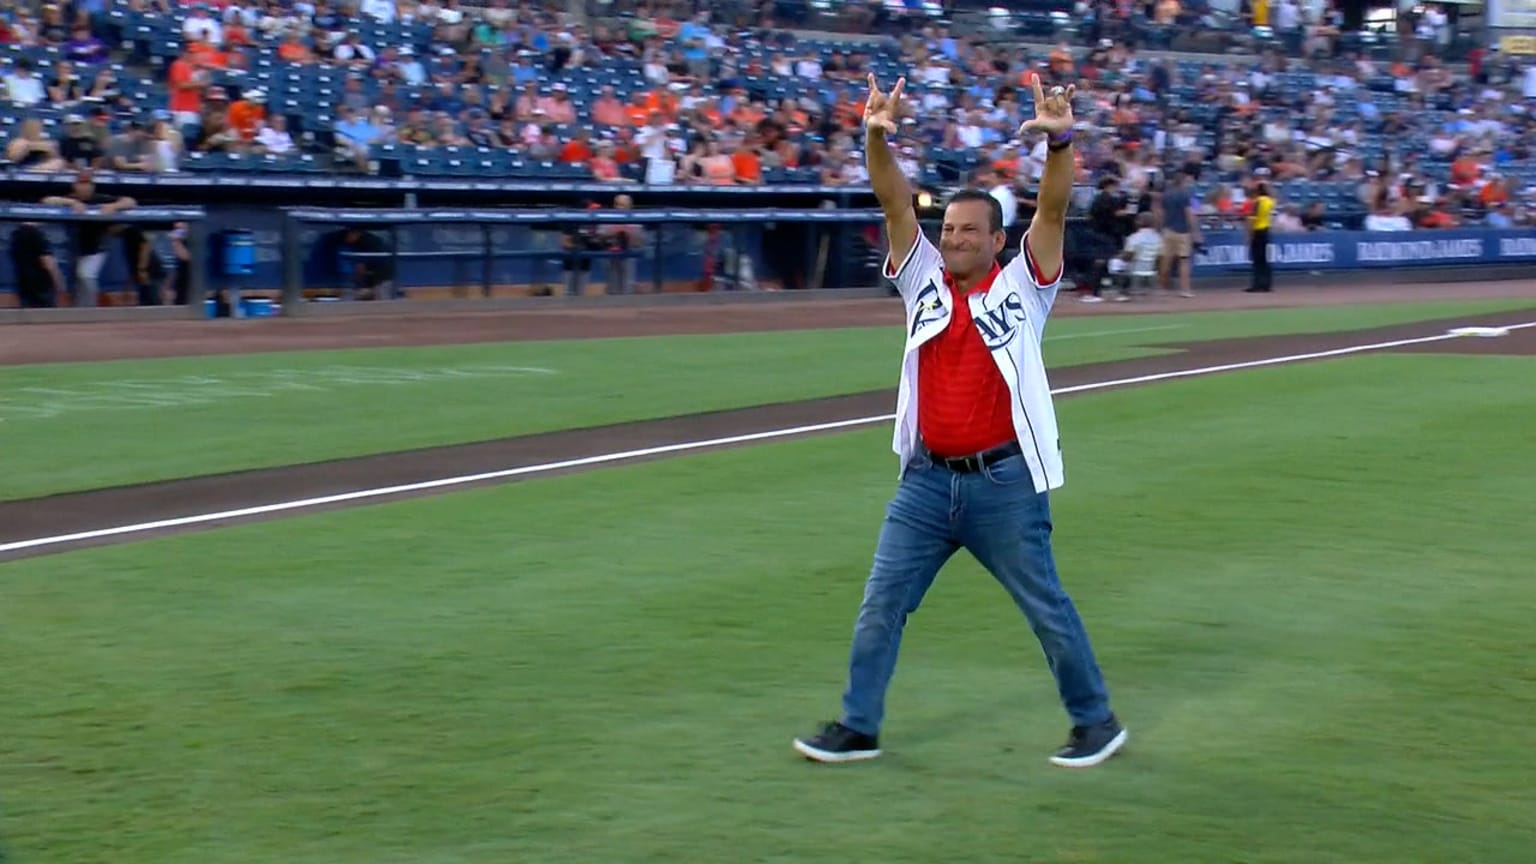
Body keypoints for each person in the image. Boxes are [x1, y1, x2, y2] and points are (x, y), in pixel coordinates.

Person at [793, 74, 1127, 769]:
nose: (954, 240)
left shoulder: (1023, 285)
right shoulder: (921, 279)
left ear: (998, 239)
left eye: (970, 231)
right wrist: (875, 135)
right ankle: (858, 725)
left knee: (1046, 608)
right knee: (880, 604)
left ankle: (1095, 721)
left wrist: (1061, 141)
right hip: (925, 484)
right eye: (948, 229)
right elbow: (891, 198)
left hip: (1001, 483)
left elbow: (1056, 213)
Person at [1158, 172, 1199, 298]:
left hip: (1168, 230)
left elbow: (1161, 213)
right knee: (1184, 260)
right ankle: (1185, 290)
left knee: (1166, 260)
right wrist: (1195, 232)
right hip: (1183, 231)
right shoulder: (1185, 195)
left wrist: (1161, 228)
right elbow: (1189, 214)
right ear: (1182, 181)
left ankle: (1162, 288)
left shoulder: (1166, 195)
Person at [1246, 180, 1275, 293]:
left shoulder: (1257, 202)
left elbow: (1252, 219)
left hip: (1258, 231)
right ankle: (1267, 284)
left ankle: (1257, 284)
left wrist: (1249, 236)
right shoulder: (1269, 201)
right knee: (1264, 259)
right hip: (1266, 230)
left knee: (1257, 259)